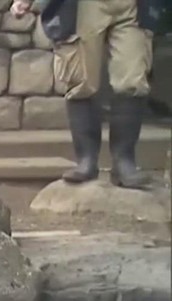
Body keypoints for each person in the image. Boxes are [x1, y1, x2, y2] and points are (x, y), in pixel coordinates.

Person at [11, 0, 168, 189]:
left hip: (133, 6)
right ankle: (86, 160)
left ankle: (124, 161)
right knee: (81, 79)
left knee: (132, 79)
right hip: (84, 5)